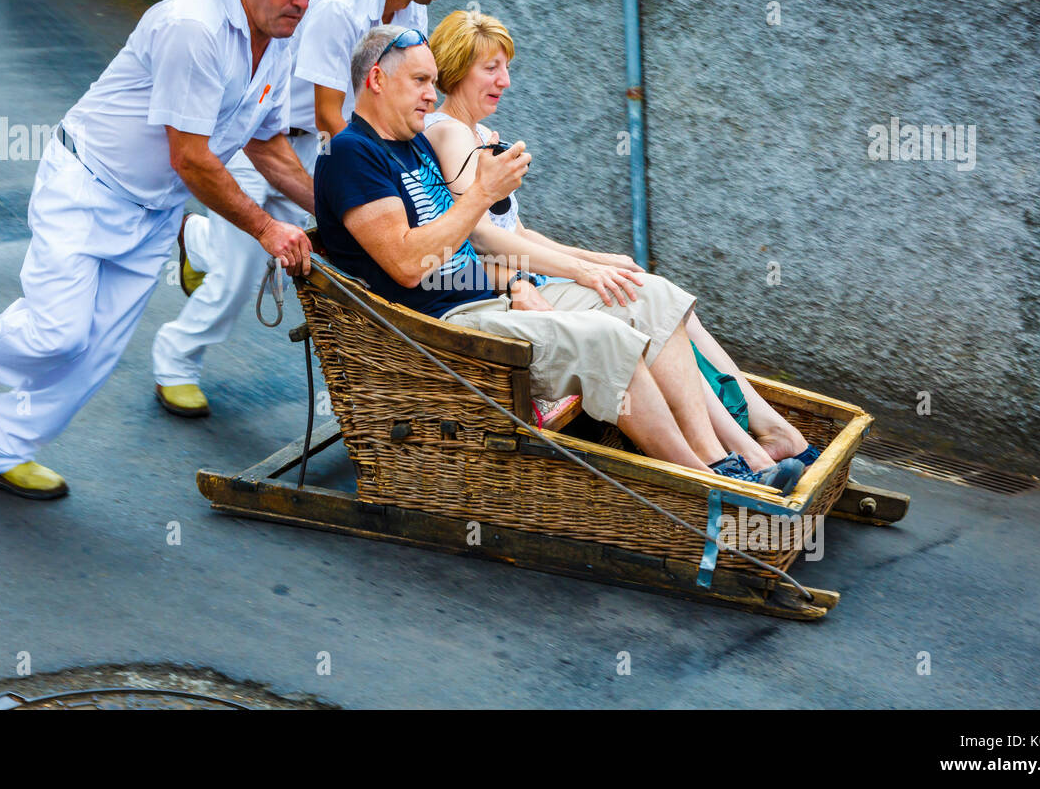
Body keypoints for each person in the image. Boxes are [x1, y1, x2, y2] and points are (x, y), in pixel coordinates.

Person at [0, 0, 339, 499]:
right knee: (58, 333)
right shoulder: (195, 28)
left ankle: (1, 450)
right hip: (86, 186)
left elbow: (267, 147)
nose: (301, 0)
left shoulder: (279, 42)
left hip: (153, 212)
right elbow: (190, 159)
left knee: (96, 352)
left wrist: (342, 213)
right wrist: (268, 228)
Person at [313, 25, 806, 492]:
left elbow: (466, 251)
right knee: (610, 339)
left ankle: (729, 456)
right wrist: (482, 192)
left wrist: (511, 283)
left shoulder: (415, 145)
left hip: (490, 301)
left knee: (647, 295)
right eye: (420, 81)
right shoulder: (349, 154)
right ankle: (708, 481)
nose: (429, 94)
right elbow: (406, 264)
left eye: (433, 82)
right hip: (441, 331)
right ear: (376, 79)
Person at [152, 0, 480, 417]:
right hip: (275, 136)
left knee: (287, 255)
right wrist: (371, 185)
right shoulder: (341, 6)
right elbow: (331, 115)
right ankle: (174, 360)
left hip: (310, 143)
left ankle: (199, 239)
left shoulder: (412, 12)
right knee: (245, 270)